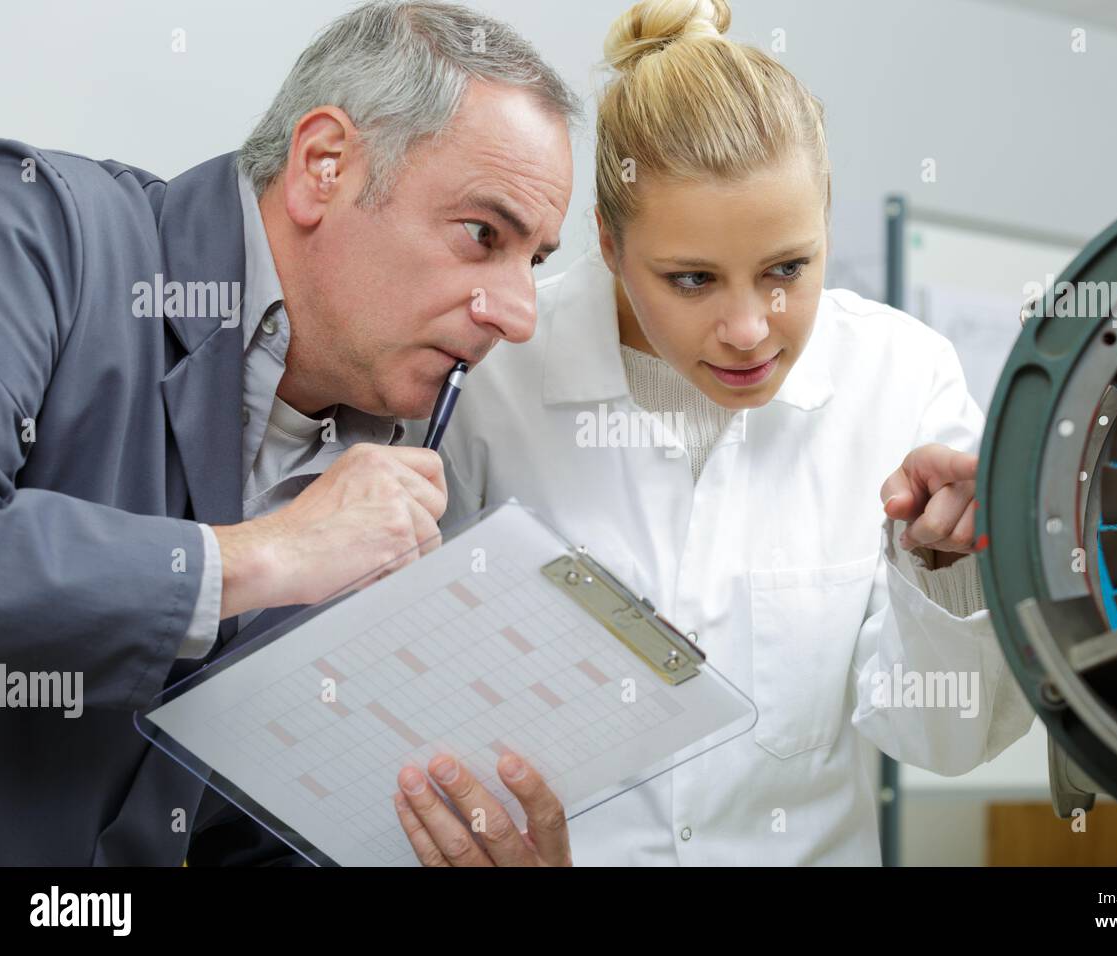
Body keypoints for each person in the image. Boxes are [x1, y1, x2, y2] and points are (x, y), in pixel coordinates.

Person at [392, 0, 1036, 866]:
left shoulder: (902, 376)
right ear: (611, 248)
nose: (749, 328)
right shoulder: (492, 371)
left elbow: (946, 741)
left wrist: (946, 577)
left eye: (786, 270)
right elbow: (401, 690)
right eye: (691, 279)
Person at [0, 1, 579, 866]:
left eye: (535, 262)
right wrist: (257, 558)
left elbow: (246, 840)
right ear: (323, 166)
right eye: (483, 234)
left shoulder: (395, 472)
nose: (519, 314)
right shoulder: (31, 229)